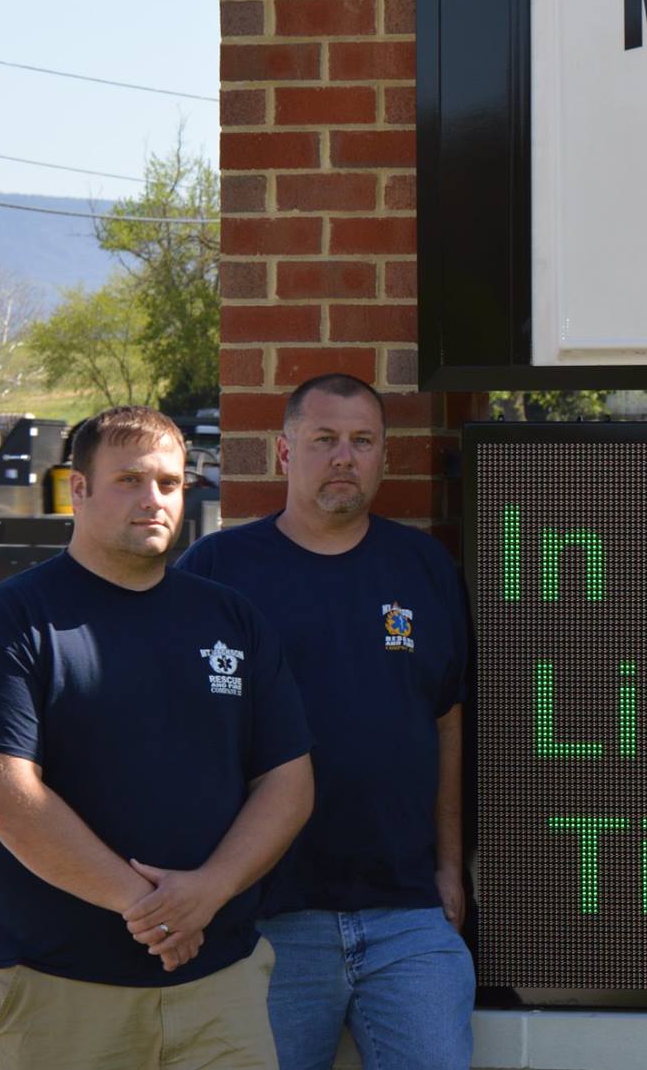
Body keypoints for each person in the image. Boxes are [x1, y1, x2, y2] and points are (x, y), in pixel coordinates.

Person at [0, 406, 314, 1070]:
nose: (153, 499)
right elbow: (2, 791)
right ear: (77, 488)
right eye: (130, 480)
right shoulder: (18, 618)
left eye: (169, 482)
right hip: (64, 991)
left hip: (218, 985)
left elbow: (288, 781)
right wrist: (153, 908)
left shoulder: (229, 618)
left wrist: (210, 890)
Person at [177, 373, 473, 1070]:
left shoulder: (424, 566)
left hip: (407, 915)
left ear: (384, 457)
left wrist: (449, 864)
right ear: (284, 452)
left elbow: (448, 720)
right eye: (325, 440)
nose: (345, 457)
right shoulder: (217, 571)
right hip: (268, 920)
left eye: (363, 441)